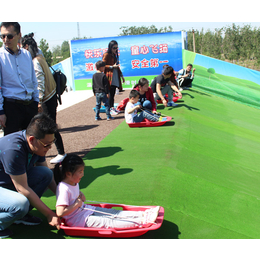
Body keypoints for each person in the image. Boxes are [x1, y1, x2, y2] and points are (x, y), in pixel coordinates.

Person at [55, 153, 160, 229]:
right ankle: (142, 221)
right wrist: (76, 204)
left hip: (85, 211)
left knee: (112, 212)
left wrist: (80, 196)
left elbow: (77, 199)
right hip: (77, 220)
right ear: (68, 174)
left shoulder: (73, 182)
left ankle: (143, 214)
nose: (83, 174)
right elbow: (60, 212)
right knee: (108, 221)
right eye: (80, 172)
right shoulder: (63, 188)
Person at [0, 113, 61, 238]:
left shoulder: (37, 144)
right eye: (47, 145)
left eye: (52, 143)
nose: (49, 148)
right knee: (20, 204)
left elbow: (46, 172)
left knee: (46, 174)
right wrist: (49, 214)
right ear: (32, 139)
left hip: (7, 182)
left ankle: (20, 216)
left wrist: (65, 197)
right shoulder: (14, 150)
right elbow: (22, 188)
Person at [20, 33, 66, 164]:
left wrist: (38, 102)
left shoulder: (35, 61)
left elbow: (39, 83)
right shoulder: (40, 56)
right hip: (51, 96)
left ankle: (61, 152)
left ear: (27, 46)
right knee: (51, 125)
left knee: (50, 127)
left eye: (23, 47)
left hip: (46, 99)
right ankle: (60, 152)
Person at [0, 22, 39, 136]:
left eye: (9, 36)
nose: (5, 39)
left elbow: (33, 80)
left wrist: (36, 101)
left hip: (30, 104)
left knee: (34, 142)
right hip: (11, 107)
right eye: (2, 36)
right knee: (11, 144)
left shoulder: (26, 55)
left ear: (19, 35)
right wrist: (1, 112)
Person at [102, 40, 125, 113]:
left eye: (116, 48)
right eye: (114, 47)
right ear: (110, 47)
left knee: (113, 93)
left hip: (115, 76)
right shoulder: (106, 55)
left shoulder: (115, 55)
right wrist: (112, 66)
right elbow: (102, 65)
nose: (115, 49)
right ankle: (109, 109)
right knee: (110, 93)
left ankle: (111, 107)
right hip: (109, 76)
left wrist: (121, 75)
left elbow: (117, 67)